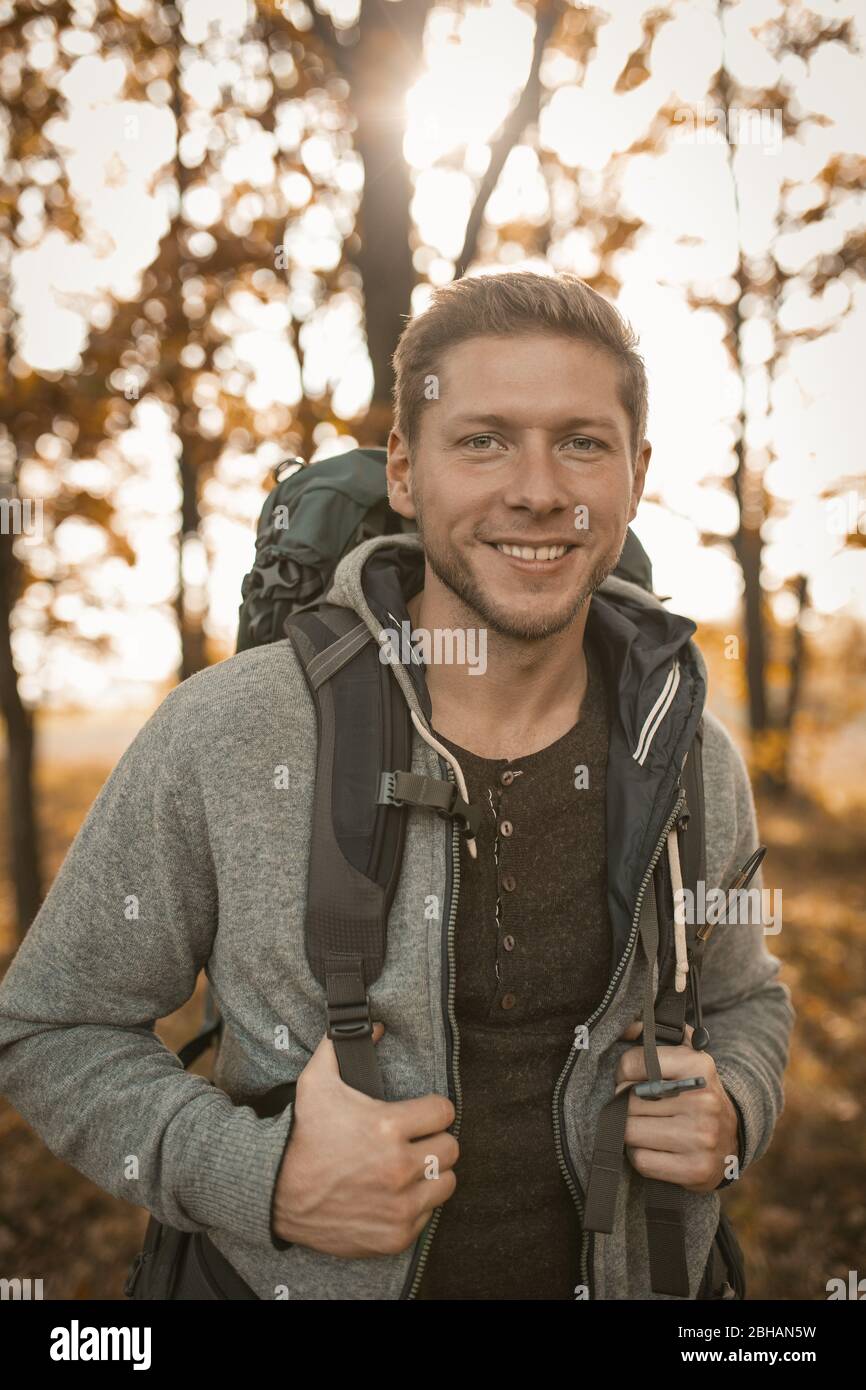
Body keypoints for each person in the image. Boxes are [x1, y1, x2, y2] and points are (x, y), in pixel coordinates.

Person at [0, 271, 794, 1300]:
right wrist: (263, 1180)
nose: (538, 489)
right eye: (481, 439)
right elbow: (52, 1028)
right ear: (405, 472)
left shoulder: (686, 751)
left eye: (581, 442)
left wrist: (736, 1101)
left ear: (634, 476)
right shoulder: (228, 732)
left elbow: (743, 999)